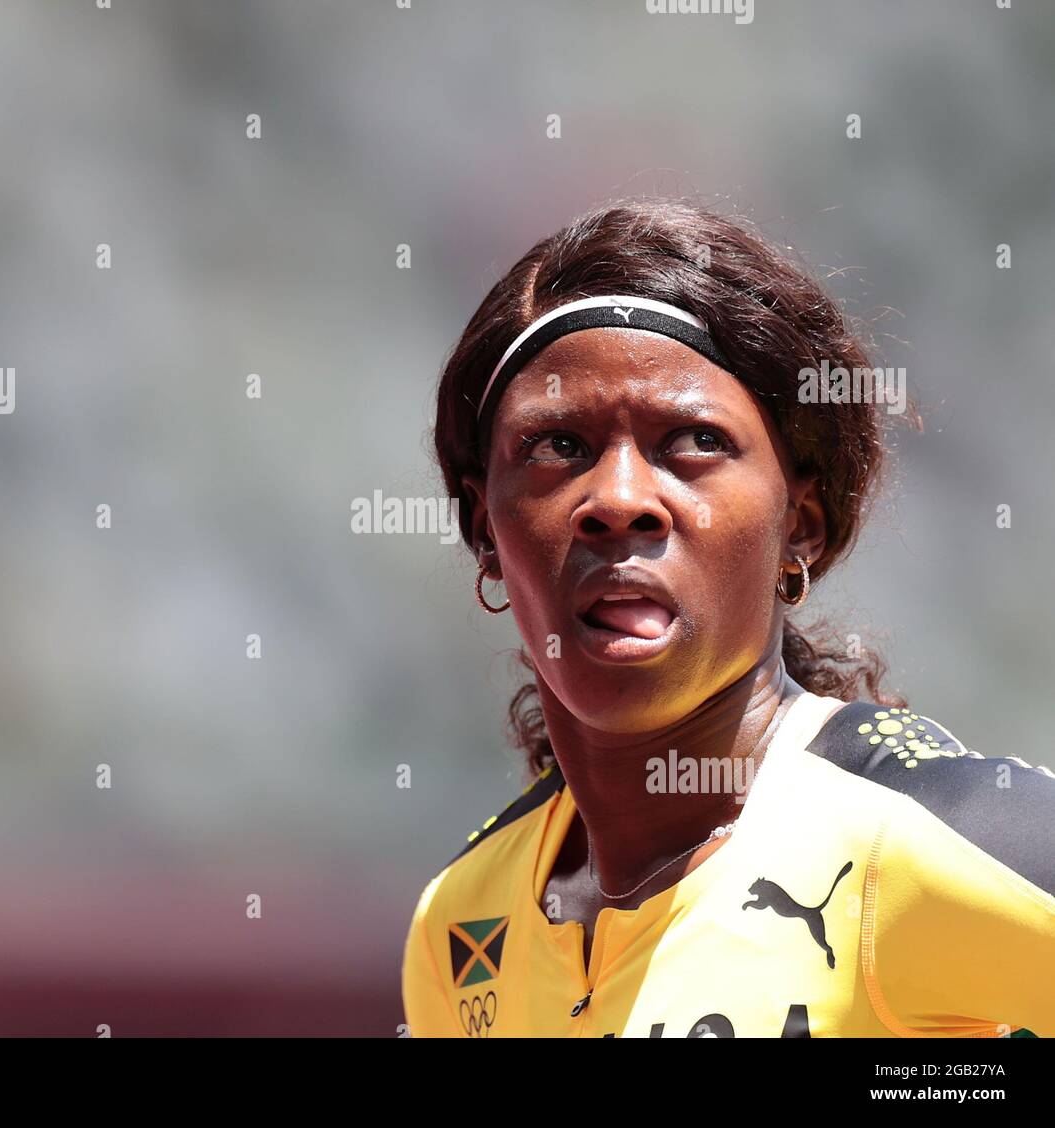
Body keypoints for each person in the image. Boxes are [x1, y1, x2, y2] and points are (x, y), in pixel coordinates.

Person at [401, 198, 1055, 1038]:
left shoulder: (921, 840)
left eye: (695, 441)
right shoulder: (460, 923)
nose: (621, 501)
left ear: (801, 525)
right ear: (483, 530)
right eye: (558, 446)